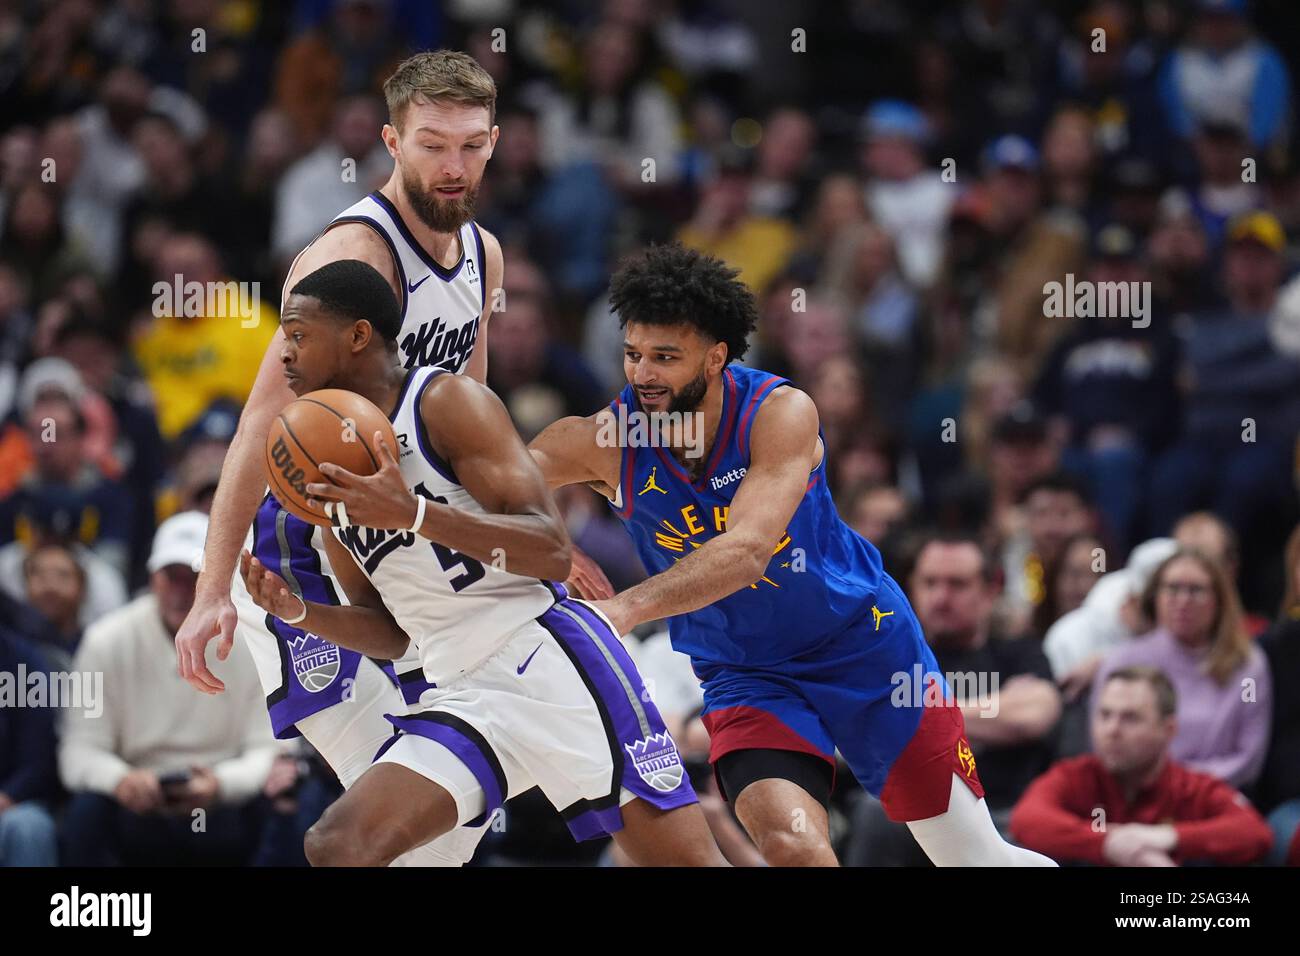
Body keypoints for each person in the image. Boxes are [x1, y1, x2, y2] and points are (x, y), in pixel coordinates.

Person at [528, 242, 1056, 867]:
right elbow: (488, 485)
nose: (643, 373)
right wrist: (550, 550)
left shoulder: (779, 413)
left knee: (972, 860)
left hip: (862, 643)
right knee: (793, 845)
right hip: (746, 670)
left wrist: (623, 610)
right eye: (633, 354)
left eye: (665, 357)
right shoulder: (602, 440)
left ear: (716, 356)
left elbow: (748, 551)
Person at [239, 258, 722, 867]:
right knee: (339, 845)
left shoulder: (446, 402)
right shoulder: (326, 476)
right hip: (462, 692)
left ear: (358, 336)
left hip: (553, 665)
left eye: (299, 335)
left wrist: (414, 514)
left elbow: (549, 548)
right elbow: (388, 634)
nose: (285, 354)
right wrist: (302, 612)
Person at [174, 50, 529, 868]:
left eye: (472, 145)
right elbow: (261, 430)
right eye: (433, 143)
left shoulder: (486, 256)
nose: (454, 165)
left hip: (399, 545)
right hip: (299, 552)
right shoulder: (356, 259)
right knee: (392, 822)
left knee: (454, 815)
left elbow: (468, 432)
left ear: (495, 142)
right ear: (391, 142)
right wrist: (210, 591)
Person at [60, 512, 281, 866]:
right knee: (87, 812)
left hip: (220, 802)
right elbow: (79, 752)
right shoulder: (105, 640)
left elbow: (269, 749)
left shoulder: (251, 639)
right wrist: (121, 780)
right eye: (171, 577)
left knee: (276, 806)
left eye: (193, 577)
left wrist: (221, 784)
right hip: (135, 797)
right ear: (152, 578)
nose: (181, 590)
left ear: (215, 580)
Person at [1010, 667, 1273, 866]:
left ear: (1168, 730)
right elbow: (1027, 819)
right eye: (1105, 715)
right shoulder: (1074, 775)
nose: (1111, 730)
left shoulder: (1192, 788)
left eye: (1130, 718)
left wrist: (1169, 837)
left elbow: (1254, 833)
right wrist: (1109, 844)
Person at [1091, 547, 1271, 790]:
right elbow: (1101, 745)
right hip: (1132, 794)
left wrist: (1182, 788)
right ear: (1155, 596)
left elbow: (1248, 760)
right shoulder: (1122, 661)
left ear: (1219, 600)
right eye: (1172, 588)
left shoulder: (1247, 667)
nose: (1183, 600)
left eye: (1196, 590)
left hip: (1216, 799)